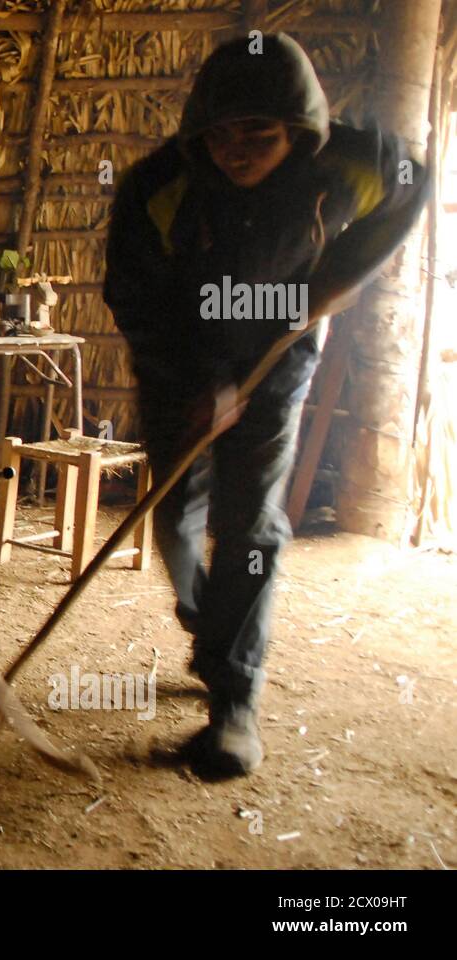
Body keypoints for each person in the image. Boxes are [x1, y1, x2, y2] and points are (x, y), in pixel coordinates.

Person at [104, 33, 428, 778]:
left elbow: (415, 179)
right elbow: (135, 296)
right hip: (179, 361)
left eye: (260, 133)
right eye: (222, 134)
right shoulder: (159, 188)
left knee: (251, 523)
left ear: (302, 132)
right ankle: (207, 623)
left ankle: (234, 703)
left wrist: (336, 281)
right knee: (175, 510)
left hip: (278, 363)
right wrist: (195, 386)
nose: (238, 149)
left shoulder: (348, 163)